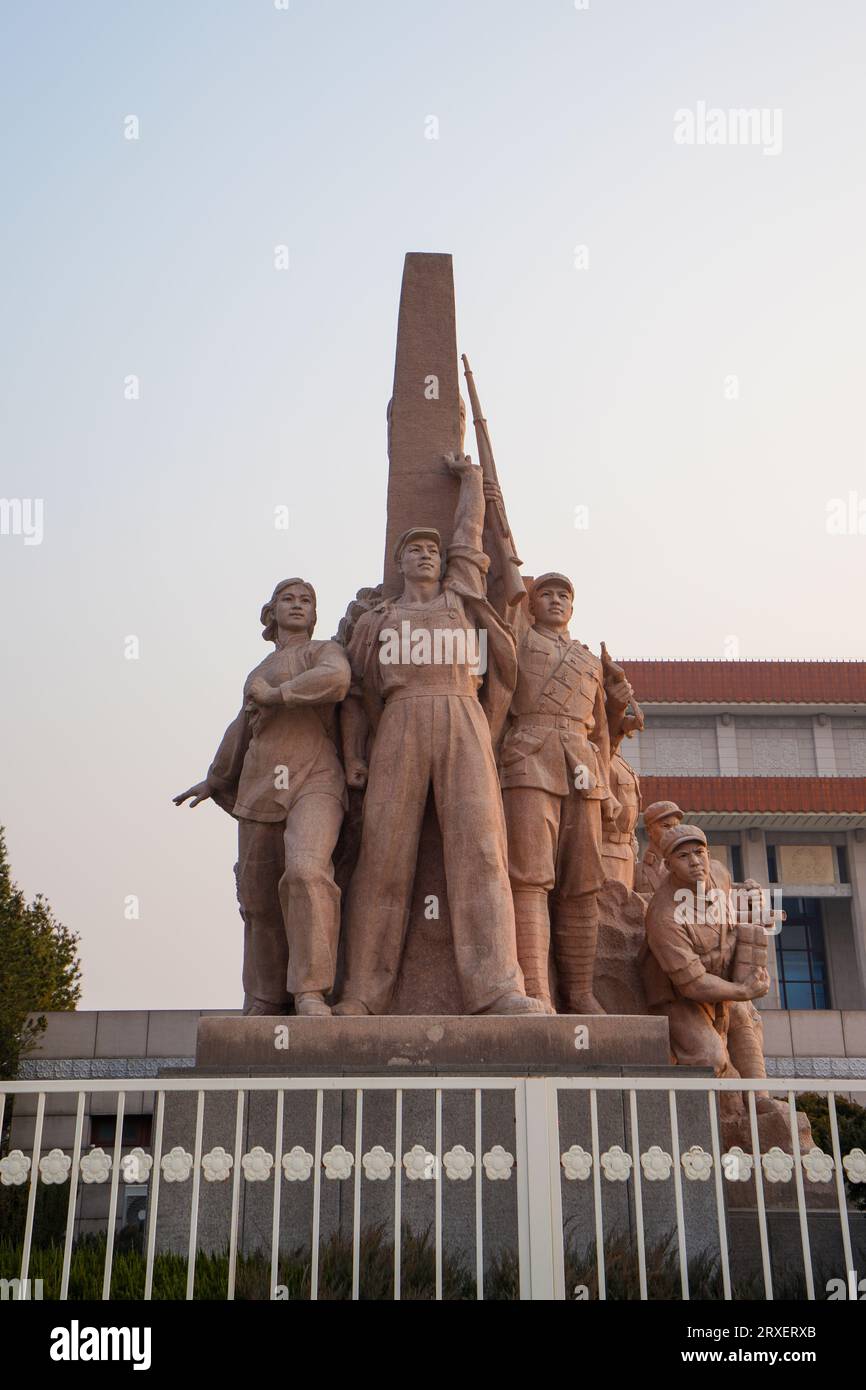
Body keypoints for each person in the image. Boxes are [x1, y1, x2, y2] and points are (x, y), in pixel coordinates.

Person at [334, 453, 541, 1017]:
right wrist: (355, 755)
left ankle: (497, 987)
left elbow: (468, 536)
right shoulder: (378, 621)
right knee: (383, 857)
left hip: (460, 713)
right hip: (400, 720)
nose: (425, 554)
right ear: (399, 563)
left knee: (481, 849)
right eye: (413, 550)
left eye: (432, 549)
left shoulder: (459, 598)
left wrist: (471, 481)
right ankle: (362, 994)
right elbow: (354, 694)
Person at [174, 578, 350, 1016]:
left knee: (306, 873)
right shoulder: (256, 673)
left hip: (316, 778)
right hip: (260, 785)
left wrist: (281, 695)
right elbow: (242, 728)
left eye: (306, 601)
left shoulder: (324, 652)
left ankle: (310, 990)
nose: (297, 606)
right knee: (258, 900)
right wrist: (215, 779)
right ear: (270, 614)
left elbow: (337, 680)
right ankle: (267, 997)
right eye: (288, 600)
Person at [498, 573, 632, 1013]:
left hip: (582, 767)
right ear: (530, 605)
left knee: (583, 885)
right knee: (530, 878)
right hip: (529, 758)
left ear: (572, 609)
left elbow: (604, 733)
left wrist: (607, 785)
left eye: (564, 596)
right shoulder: (515, 642)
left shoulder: (588, 661)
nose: (556, 601)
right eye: (546, 595)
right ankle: (536, 987)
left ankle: (579, 991)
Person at [641, 823, 780, 1108]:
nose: (695, 862)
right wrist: (741, 991)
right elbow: (691, 983)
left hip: (722, 980)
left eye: (699, 852)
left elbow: (729, 907)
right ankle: (700, 1123)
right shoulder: (664, 914)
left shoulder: (718, 873)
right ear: (668, 865)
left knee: (747, 1025)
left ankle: (759, 1103)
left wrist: (750, 897)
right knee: (709, 1057)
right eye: (683, 857)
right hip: (677, 994)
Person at [634, 800, 684, 897]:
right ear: (649, 830)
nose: (673, 831)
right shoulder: (636, 870)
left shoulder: (686, 866)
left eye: (676, 826)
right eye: (666, 826)